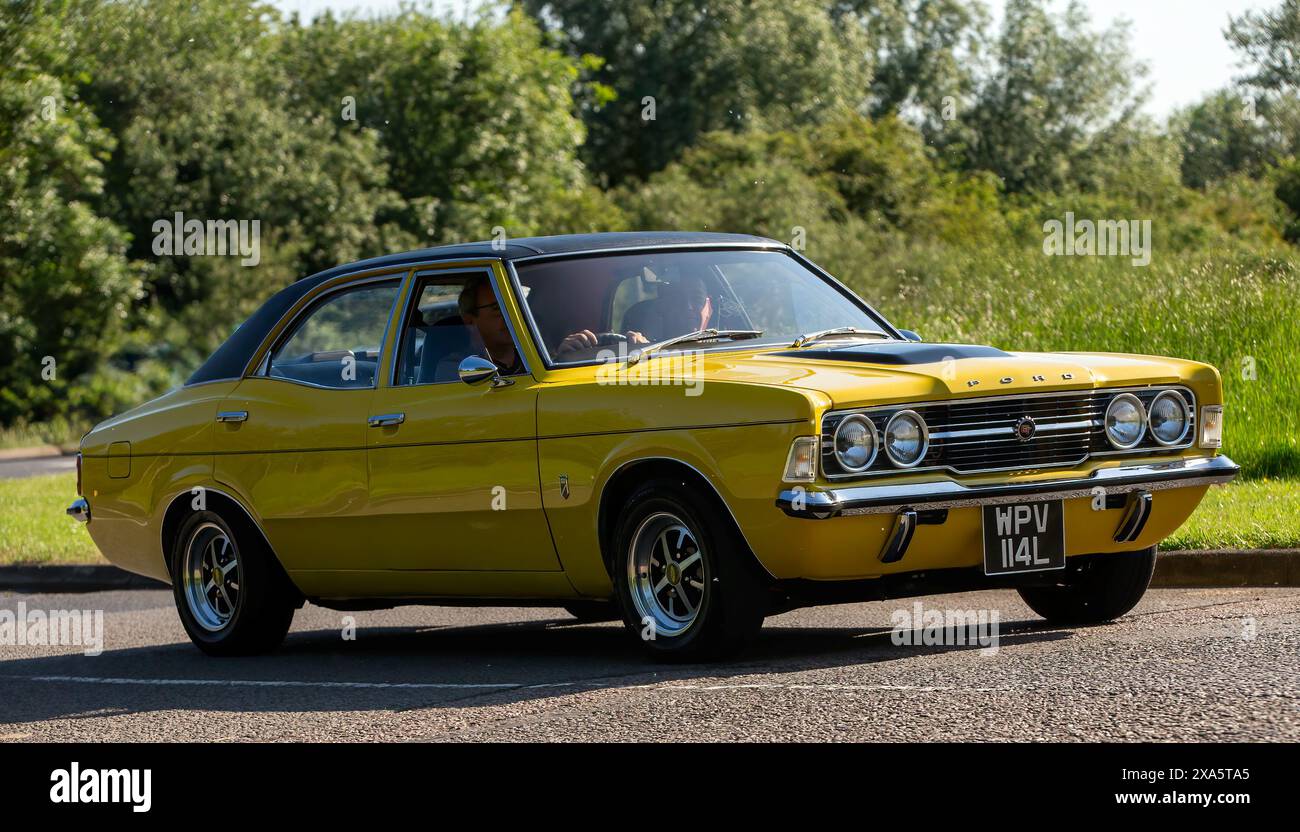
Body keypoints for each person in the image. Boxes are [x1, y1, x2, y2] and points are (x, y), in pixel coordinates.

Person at [553, 274, 713, 359]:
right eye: (677, 299)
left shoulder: (731, 344)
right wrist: (565, 357)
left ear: (709, 307)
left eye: (697, 298)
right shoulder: (626, 355)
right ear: (662, 307)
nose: (688, 307)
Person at [458, 276, 524, 376]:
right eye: (497, 308)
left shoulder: (535, 357)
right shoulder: (458, 367)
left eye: (512, 307)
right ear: (469, 321)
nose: (511, 316)